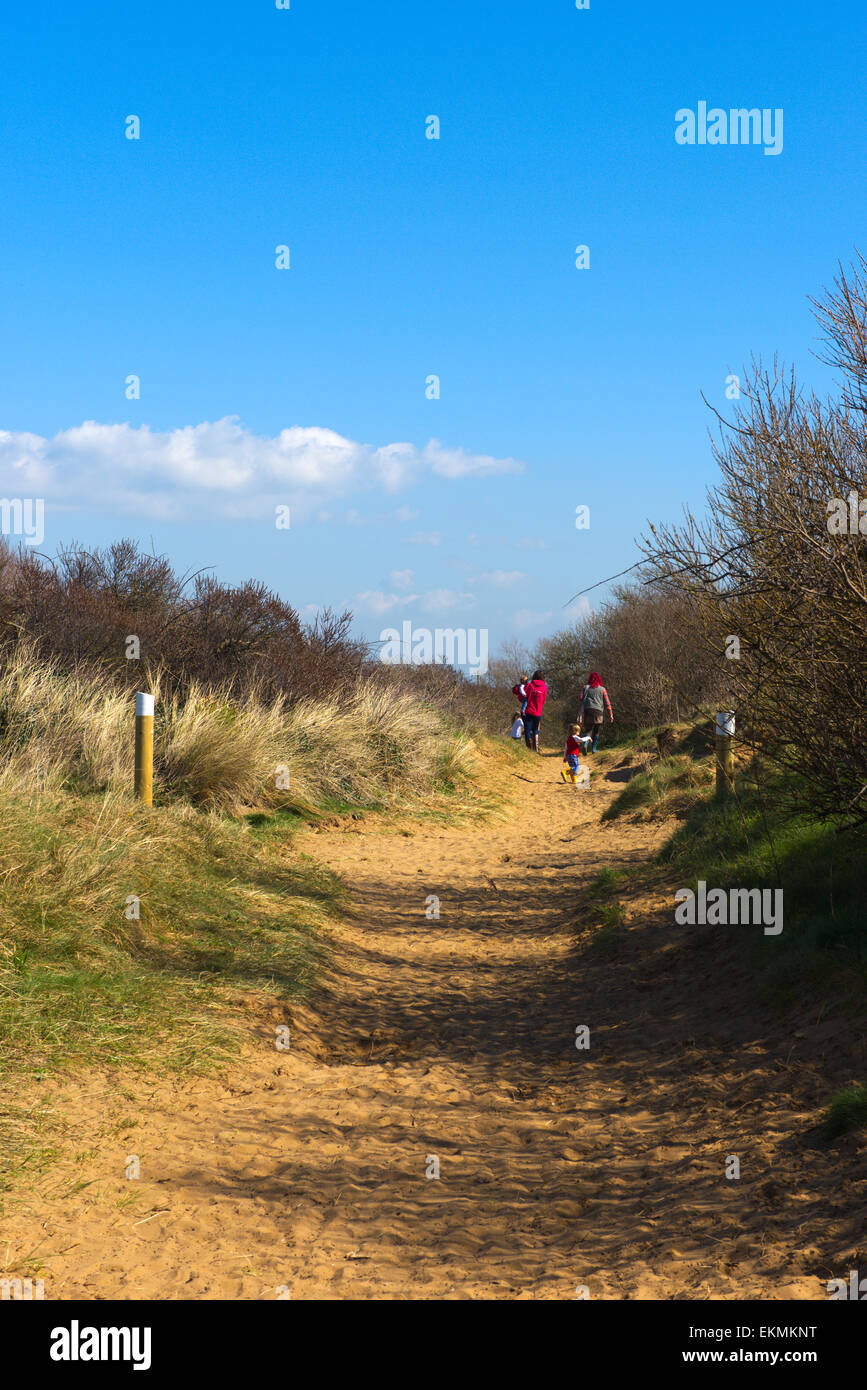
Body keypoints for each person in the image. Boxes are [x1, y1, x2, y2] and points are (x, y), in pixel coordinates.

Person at [513, 669, 547, 752]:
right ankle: (536, 748)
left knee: (527, 730)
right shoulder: (544, 687)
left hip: (528, 711)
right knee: (536, 730)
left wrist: (522, 700)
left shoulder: (529, 685)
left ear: (534, 676)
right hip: (538, 712)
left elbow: (523, 696)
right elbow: (543, 701)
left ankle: (529, 748)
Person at [579, 671, 613, 752]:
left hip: (588, 711)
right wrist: (611, 714)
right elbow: (607, 703)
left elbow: (580, 698)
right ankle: (594, 749)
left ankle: (585, 744)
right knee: (596, 731)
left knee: (588, 730)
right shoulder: (602, 689)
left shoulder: (585, 687)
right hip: (598, 712)